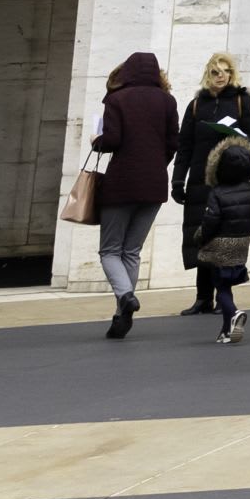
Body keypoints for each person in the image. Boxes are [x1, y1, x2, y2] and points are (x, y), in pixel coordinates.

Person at [86, 50, 179, 338]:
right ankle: (120, 315)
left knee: (110, 250)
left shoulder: (117, 99)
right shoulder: (168, 101)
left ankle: (126, 297)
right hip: (154, 184)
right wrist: (154, 165)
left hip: (121, 183)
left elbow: (112, 140)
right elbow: (172, 142)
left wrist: (96, 140)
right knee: (132, 251)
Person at [173, 53, 250, 314]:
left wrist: (237, 135)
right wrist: (178, 180)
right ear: (208, 75)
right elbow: (184, 146)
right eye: (215, 72)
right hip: (200, 180)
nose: (220, 75)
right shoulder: (196, 105)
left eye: (225, 71)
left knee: (224, 238)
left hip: (229, 179)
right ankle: (203, 297)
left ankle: (224, 297)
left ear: (231, 74)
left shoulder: (241, 101)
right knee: (201, 236)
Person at [192, 136, 250, 344]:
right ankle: (226, 331)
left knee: (220, 286)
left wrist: (201, 237)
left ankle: (233, 313)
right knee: (228, 284)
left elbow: (211, 220)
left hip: (220, 242)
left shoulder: (218, 192)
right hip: (241, 241)